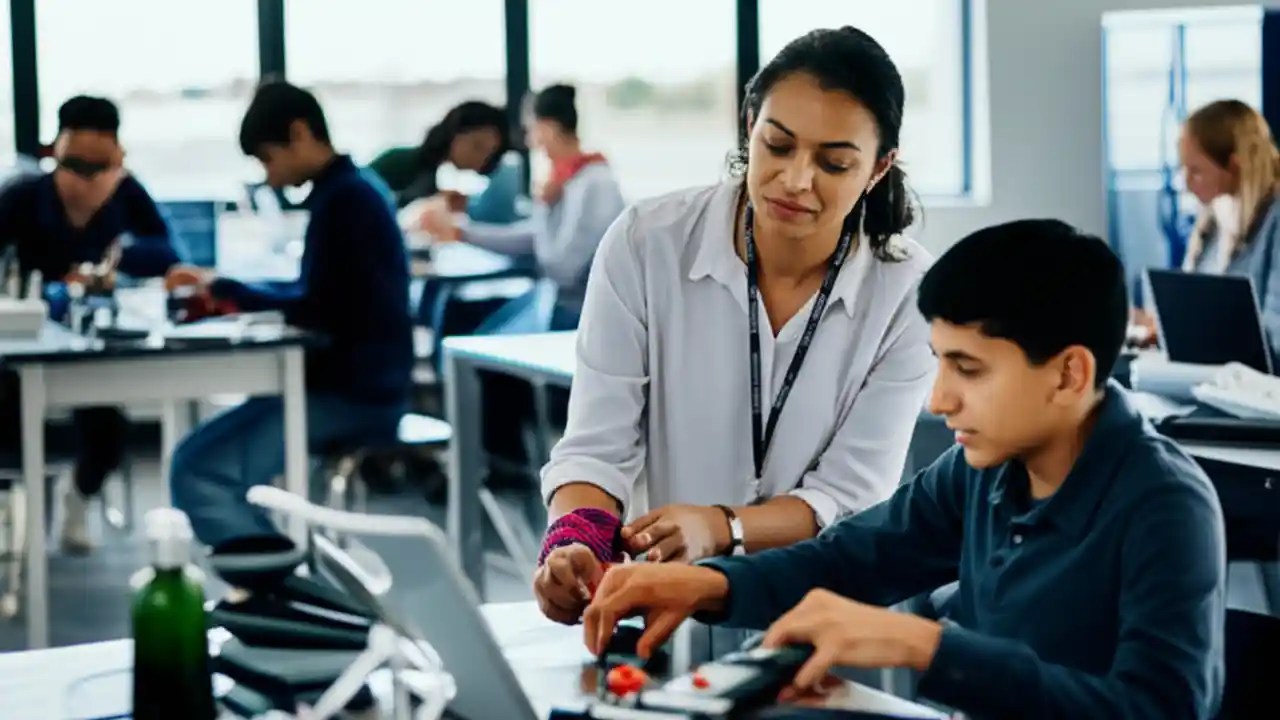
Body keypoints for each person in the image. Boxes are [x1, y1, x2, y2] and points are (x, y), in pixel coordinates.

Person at [583, 219, 1227, 719]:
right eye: (939, 363)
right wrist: (708, 585)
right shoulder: (981, 470)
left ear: (1070, 373)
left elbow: (1156, 711)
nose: (940, 400)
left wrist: (925, 645)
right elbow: (849, 560)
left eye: (968, 370)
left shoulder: (1166, 506)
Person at [532, 26, 935, 646]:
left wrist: (722, 527)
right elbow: (596, 447)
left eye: (834, 163)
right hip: (658, 609)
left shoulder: (906, 289)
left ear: (880, 167)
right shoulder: (648, 242)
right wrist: (575, 543)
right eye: (777, 145)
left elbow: (849, 495)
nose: (796, 180)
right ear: (749, 125)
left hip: (819, 618)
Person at [165, 81, 412, 552]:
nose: (269, 175)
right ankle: (275, 575)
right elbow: (324, 298)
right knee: (202, 461)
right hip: (362, 385)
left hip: (356, 396)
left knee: (199, 471)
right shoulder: (350, 193)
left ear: (299, 134)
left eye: (268, 157)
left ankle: (279, 588)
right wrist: (231, 290)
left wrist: (231, 292)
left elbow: (320, 308)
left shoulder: (345, 202)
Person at [0, 95, 179, 554]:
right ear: (55, 156)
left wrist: (119, 261)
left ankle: (77, 501)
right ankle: (11, 517)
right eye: (75, 167)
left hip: (89, 345)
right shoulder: (21, 197)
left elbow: (167, 254)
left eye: (101, 169)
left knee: (106, 429)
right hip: (23, 344)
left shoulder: (128, 194)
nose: (87, 184)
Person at [421, 83, 625, 331]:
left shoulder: (593, 183)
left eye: (531, 130)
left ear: (547, 129)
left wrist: (545, 207)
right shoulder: (567, 180)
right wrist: (461, 232)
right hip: (554, 304)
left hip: (578, 315)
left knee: (471, 336)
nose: (529, 141)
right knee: (460, 319)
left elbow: (560, 268)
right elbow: (534, 237)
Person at [1134, 99, 1280, 361]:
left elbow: (1275, 338)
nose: (1187, 184)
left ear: (1234, 167)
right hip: (1212, 376)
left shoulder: (1274, 222)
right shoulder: (1213, 221)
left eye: (1196, 171)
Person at [368, 100, 510, 210]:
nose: (481, 158)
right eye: (477, 146)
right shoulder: (399, 161)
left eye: (489, 153)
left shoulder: (438, 177)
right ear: (454, 134)